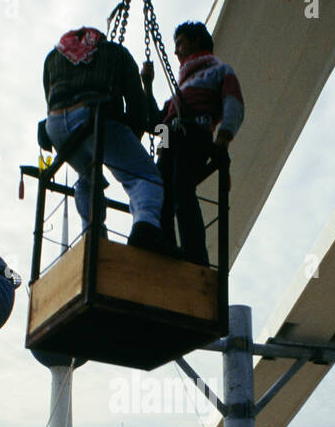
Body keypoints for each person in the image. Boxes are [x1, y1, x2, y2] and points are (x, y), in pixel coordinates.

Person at [43, 26, 165, 251]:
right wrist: (131, 141)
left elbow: (49, 98)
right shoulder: (115, 53)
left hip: (57, 125)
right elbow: (141, 108)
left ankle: (93, 232)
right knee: (146, 177)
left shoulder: (54, 57)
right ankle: (145, 228)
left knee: (88, 176)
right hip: (94, 116)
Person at [142, 21, 244, 264]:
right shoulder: (182, 90)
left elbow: (234, 104)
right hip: (171, 137)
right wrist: (147, 84)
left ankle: (194, 254)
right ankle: (167, 246)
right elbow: (157, 122)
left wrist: (223, 138)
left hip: (194, 134)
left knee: (180, 188)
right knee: (160, 193)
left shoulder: (218, 71)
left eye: (180, 43)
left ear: (196, 42)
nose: (176, 51)